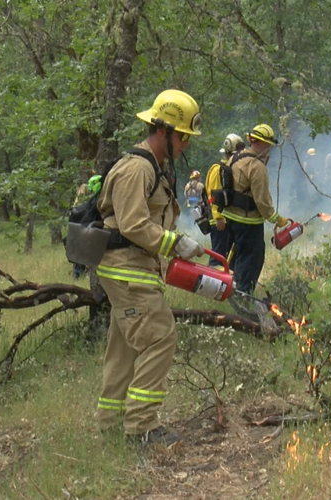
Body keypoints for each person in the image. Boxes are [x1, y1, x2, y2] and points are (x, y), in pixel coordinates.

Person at [94, 89, 204, 446]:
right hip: (127, 269)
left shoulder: (151, 167)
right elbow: (133, 225)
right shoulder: (136, 168)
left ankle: (110, 424)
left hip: (134, 268)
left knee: (125, 347)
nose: (186, 144)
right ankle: (141, 428)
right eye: (183, 136)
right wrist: (175, 243)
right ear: (163, 131)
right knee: (159, 337)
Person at [222, 124, 289, 295]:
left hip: (230, 218)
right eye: (267, 145)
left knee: (234, 258)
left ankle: (230, 289)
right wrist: (276, 219)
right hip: (249, 222)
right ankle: (243, 295)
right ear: (257, 142)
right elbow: (262, 200)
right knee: (252, 259)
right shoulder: (257, 167)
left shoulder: (234, 158)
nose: (268, 150)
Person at [204, 133, 243, 266]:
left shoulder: (228, 169)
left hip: (225, 218)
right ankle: (213, 282)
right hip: (218, 220)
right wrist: (218, 217)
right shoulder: (218, 169)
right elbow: (213, 195)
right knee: (218, 255)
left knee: (226, 254)